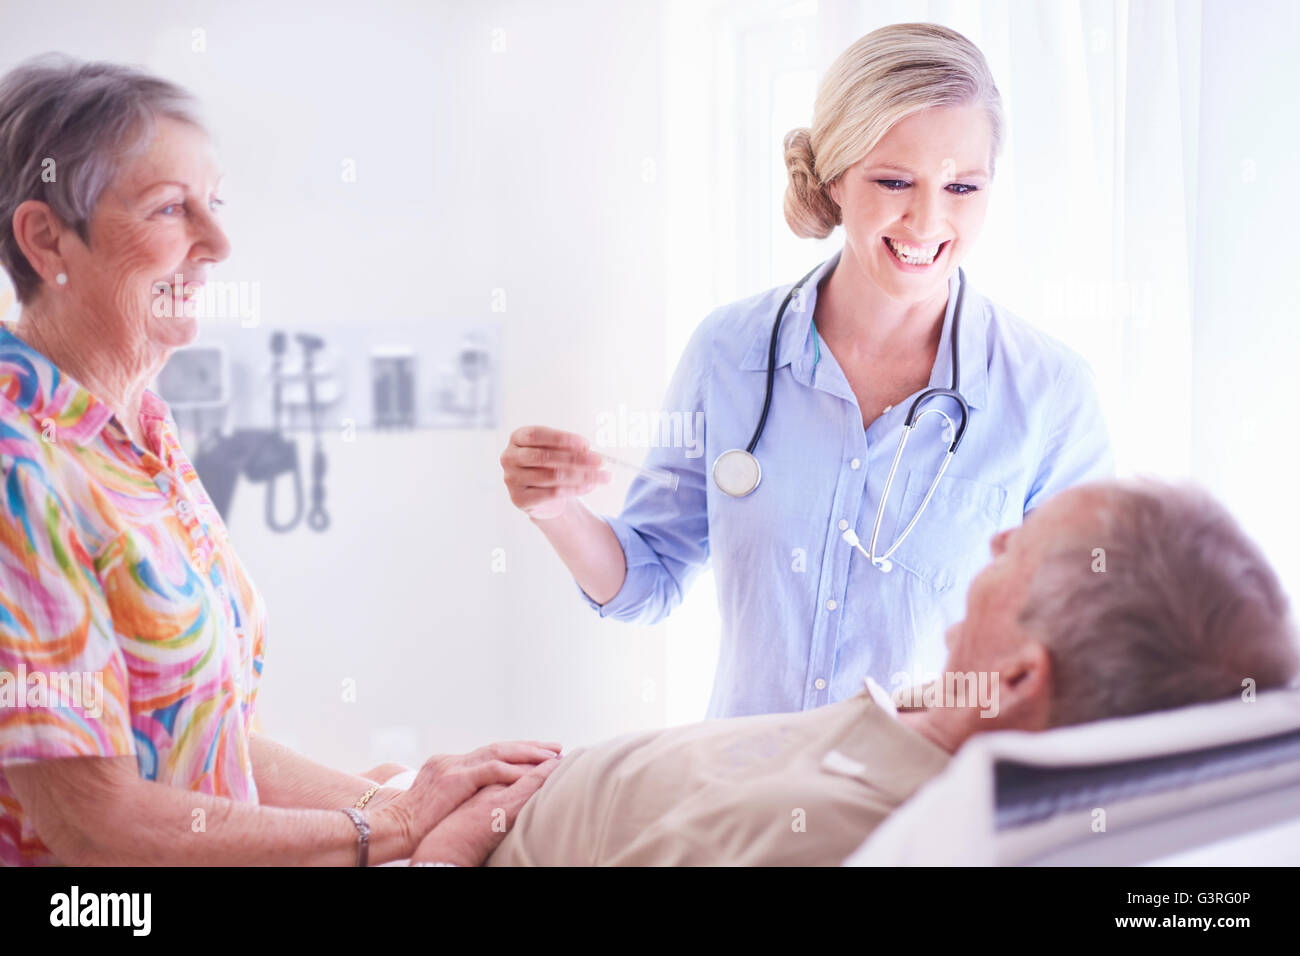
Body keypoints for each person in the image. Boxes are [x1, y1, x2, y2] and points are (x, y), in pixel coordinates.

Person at [0, 56, 557, 867]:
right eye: (169, 209)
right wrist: (390, 832)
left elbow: (206, 733)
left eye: (214, 205)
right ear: (47, 238)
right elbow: (99, 825)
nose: (219, 243)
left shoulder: (141, 429)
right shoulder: (20, 469)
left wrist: (400, 804)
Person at [500, 23, 1114, 719]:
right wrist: (556, 510)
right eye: (893, 180)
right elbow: (647, 580)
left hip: (927, 807)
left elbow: (1083, 644)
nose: (927, 220)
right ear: (834, 177)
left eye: (963, 186)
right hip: (747, 801)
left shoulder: (1048, 394)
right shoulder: (729, 353)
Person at [483, 479, 1299, 866]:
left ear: (1018, 681)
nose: (995, 545)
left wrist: (430, 840)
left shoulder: (812, 831)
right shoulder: (932, 720)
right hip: (491, 794)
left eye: (1027, 546)